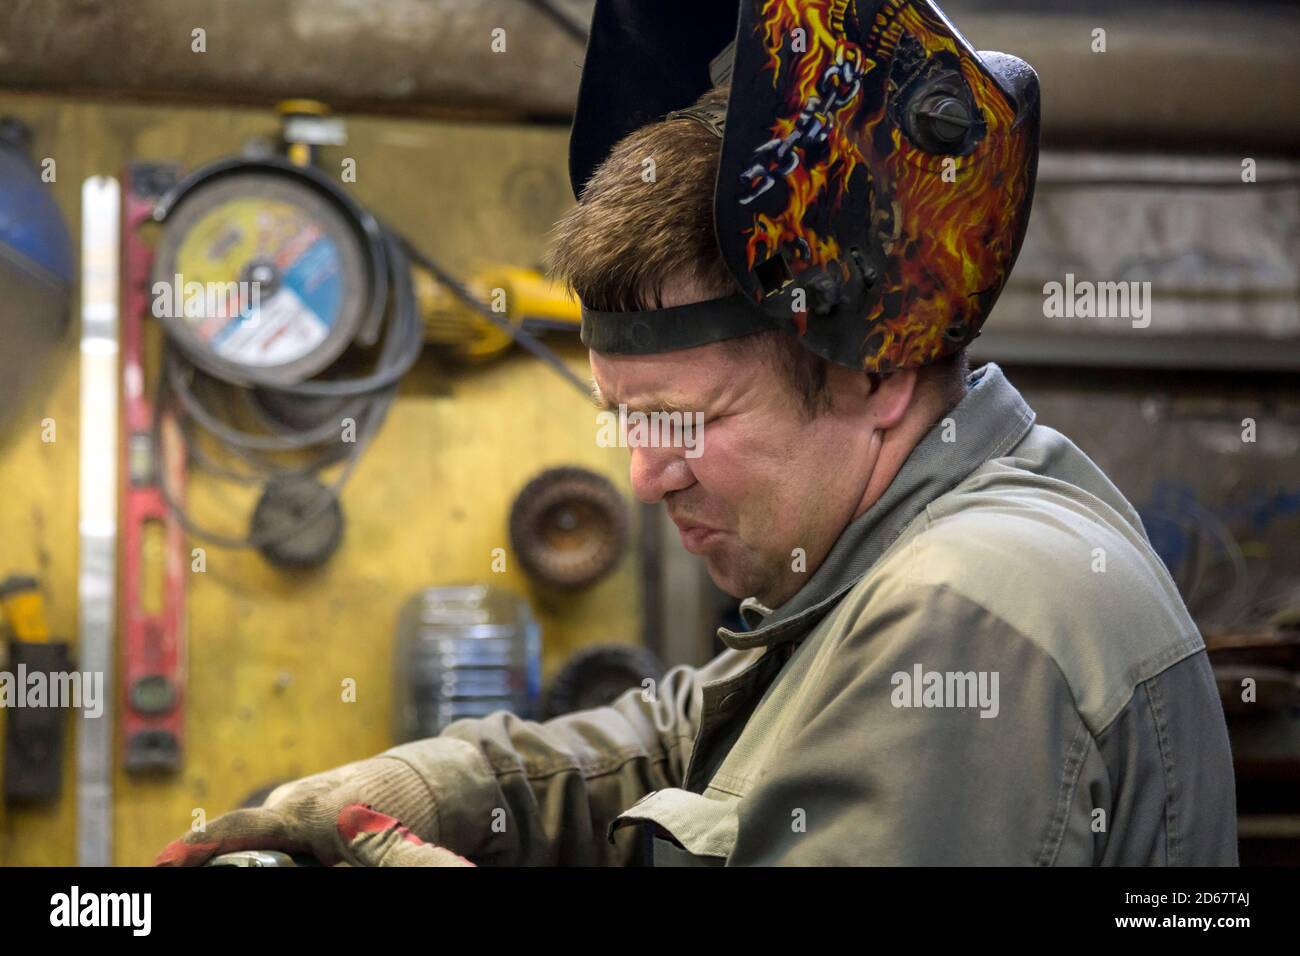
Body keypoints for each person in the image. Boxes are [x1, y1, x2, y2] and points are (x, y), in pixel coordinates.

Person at [158, 0, 1237, 866]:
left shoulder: (969, 605)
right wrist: (430, 792)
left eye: (691, 416)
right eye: (626, 418)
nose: (642, 475)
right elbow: (684, 740)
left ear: (876, 370)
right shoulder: (867, 577)